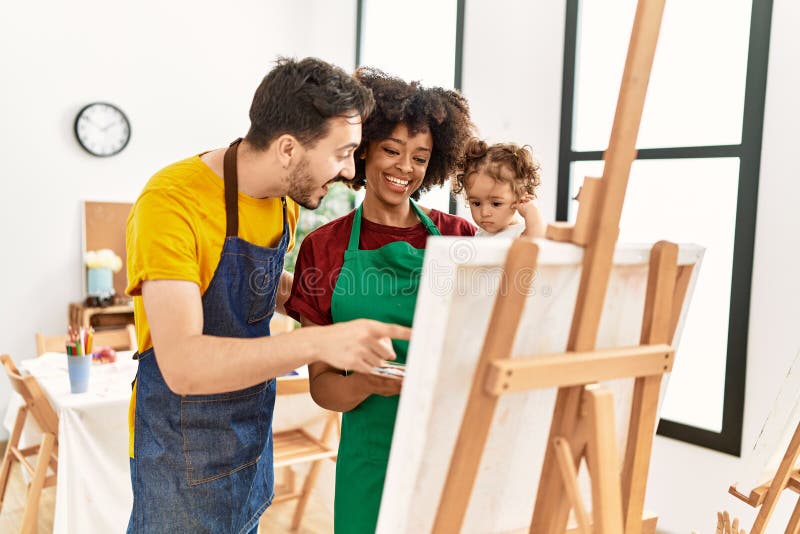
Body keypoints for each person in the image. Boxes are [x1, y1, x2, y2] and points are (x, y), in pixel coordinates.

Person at [124, 57, 411, 534]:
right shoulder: (172, 203)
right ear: (287, 148)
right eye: (342, 153)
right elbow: (183, 364)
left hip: (249, 440)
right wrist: (321, 343)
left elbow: (259, 285)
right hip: (181, 453)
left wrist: (336, 303)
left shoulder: (283, 201)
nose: (347, 170)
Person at [284, 67, 475, 533]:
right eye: (392, 149)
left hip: (451, 445)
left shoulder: (458, 237)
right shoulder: (323, 248)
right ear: (363, 146)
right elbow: (323, 386)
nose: (404, 168)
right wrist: (370, 383)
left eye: (420, 157)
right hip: (370, 453)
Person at [452, 137, 546, 238]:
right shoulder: (480, 234)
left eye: (496, 204)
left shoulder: (519, 233)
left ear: (519, 199)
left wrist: (531, 210)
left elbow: (537, 241)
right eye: (476, 203)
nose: (484, 213)